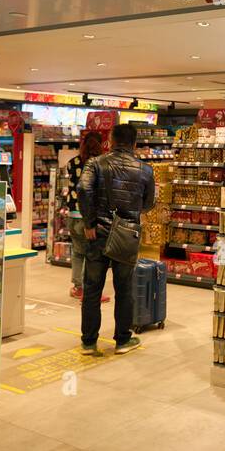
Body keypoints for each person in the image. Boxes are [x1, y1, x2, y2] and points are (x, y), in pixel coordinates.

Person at [76, 123, 156, 356]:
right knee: (125, 290)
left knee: (92, 289)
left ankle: (89, 343)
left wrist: (89, 222)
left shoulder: (95, 163)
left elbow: (83, 189)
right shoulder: (145, 170)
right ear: (134, 144)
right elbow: (149, 203)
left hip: (98, 233)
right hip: (126, 235)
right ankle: (122, 340)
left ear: (110, 141)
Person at [60, 130, 106, 300]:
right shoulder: (100, 164)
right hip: (88, 218)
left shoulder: (73, 163)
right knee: (92, 255)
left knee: (78, 252)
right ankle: (90, 290)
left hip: (72, 215)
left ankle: (78, 287)